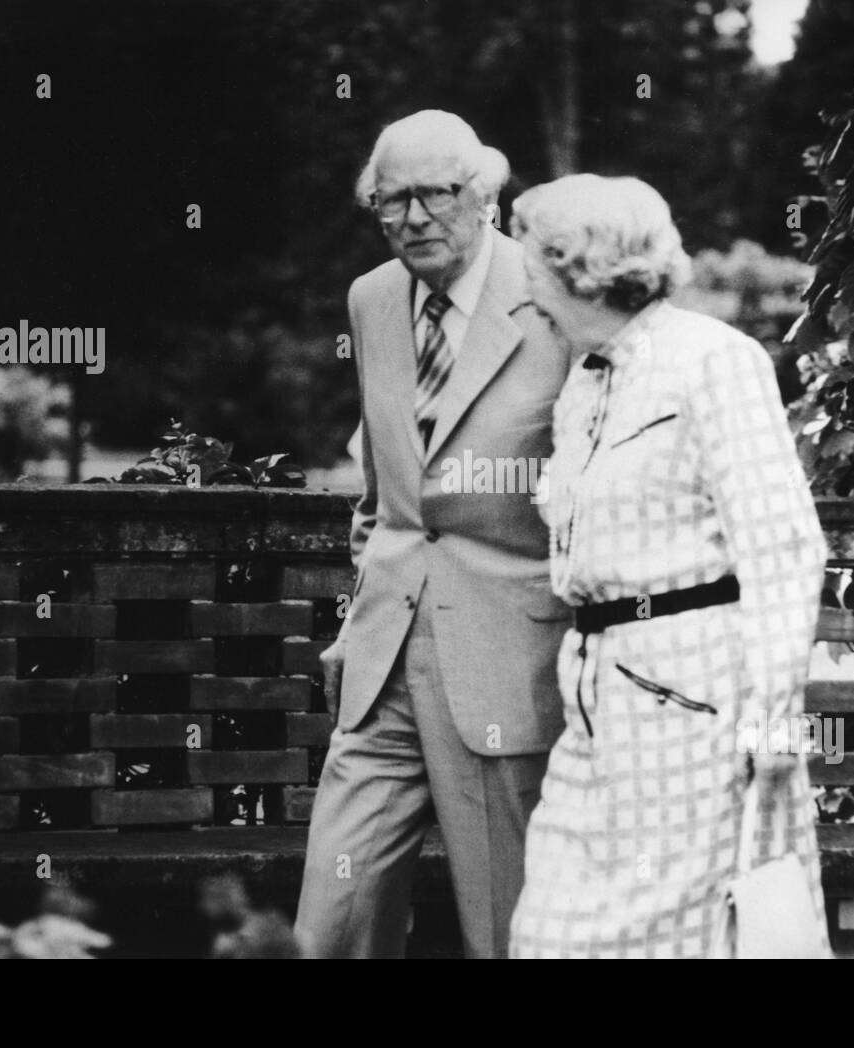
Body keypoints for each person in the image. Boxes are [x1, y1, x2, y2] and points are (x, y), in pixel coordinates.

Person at [506, 174, 829, 958]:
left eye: (530, 260)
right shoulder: (585, 381)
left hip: (695, 705)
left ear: (579, 266)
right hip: (595, 701)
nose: (521, 283)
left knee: (682, 940)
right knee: (549, 934)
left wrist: (774, 717)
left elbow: (782, 546)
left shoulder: (713, 360)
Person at [293, 111, 573, 959]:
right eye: (392, 200)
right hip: (382, 662)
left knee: (505, 927)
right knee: (330, 922)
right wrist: (358, 621)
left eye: (435, 195)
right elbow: (383, 491)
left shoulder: (555, 297)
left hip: (507, 664)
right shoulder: (372, 299)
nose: (413, 218)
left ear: (484, 196)